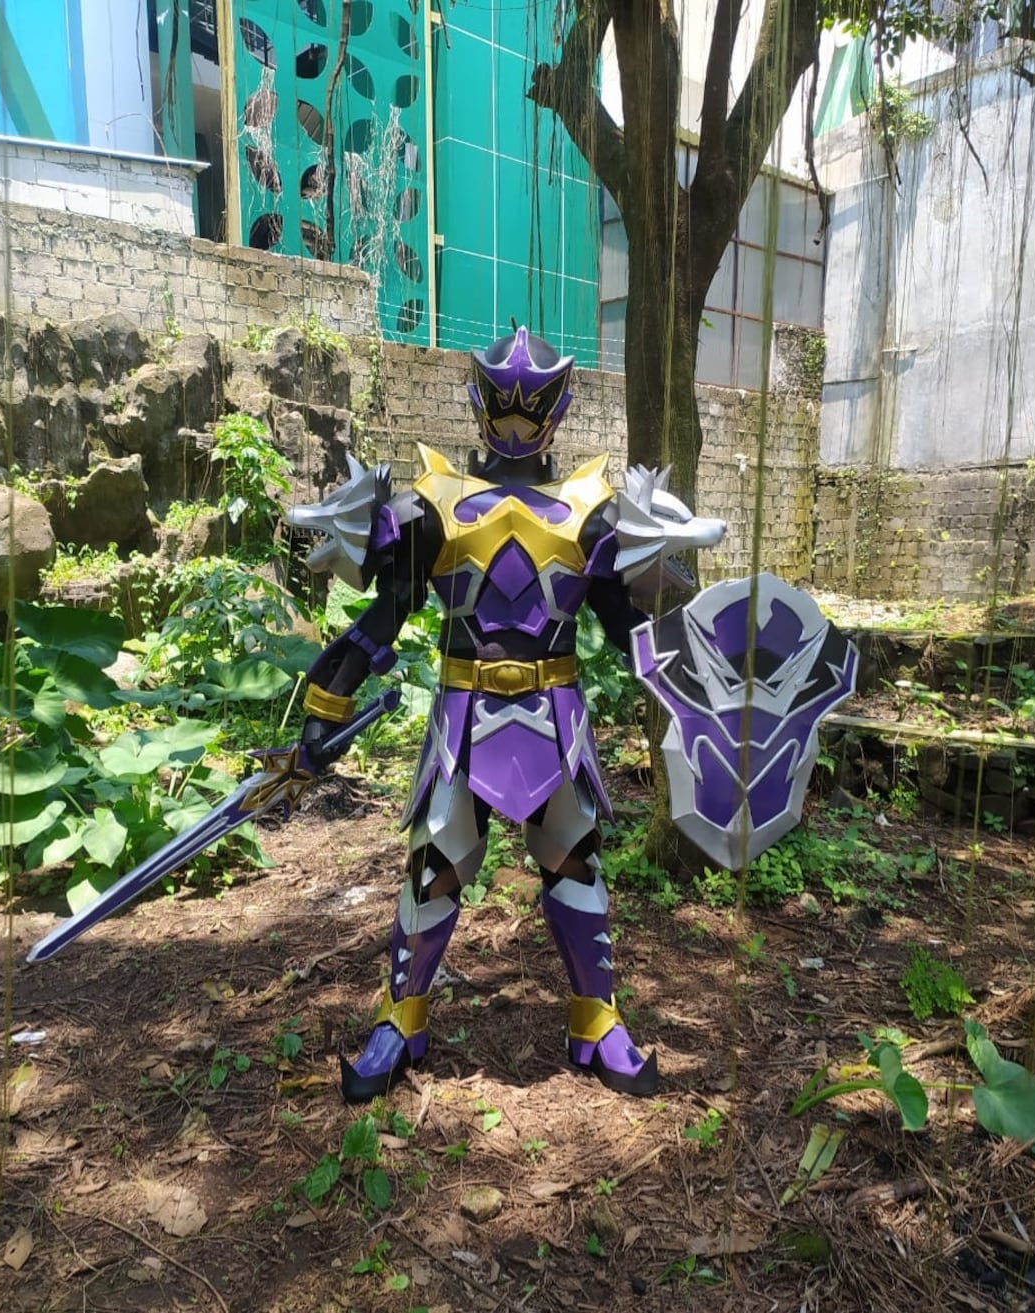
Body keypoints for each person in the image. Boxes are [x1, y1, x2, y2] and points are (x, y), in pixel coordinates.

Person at [287, 327, 725, 1102]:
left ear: (557, 408)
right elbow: (381, 619)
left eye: (532, 405)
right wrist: (326, 705)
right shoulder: (435, 506)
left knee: (574, 862)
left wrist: (702, 702)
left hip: (555, 716)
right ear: (479, 400)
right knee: (436, 865)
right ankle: (402, 1017)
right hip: (464, 716)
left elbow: (630, 630)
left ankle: (597, 1019)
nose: (517, 419)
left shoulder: (593, 513)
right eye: (504, 402)